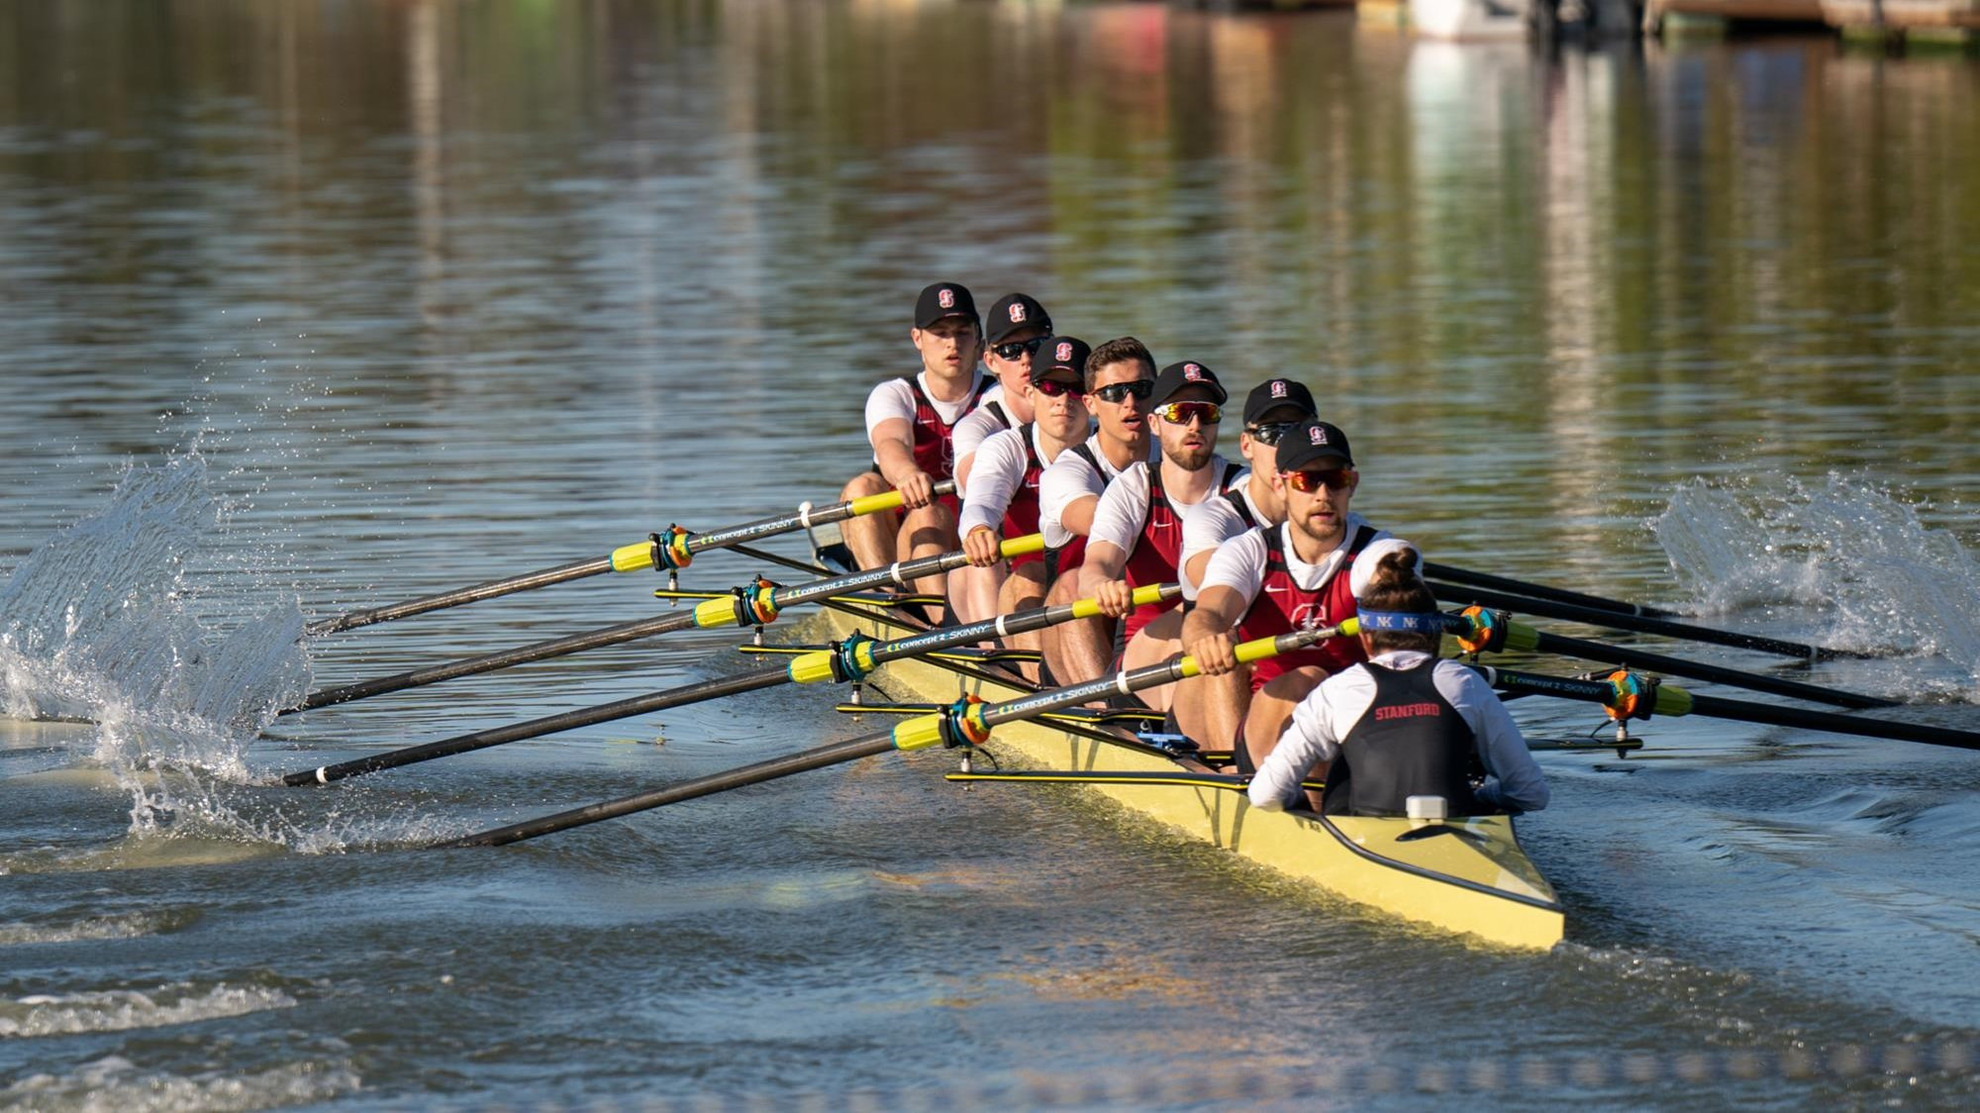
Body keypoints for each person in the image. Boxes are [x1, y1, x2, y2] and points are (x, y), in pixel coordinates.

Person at [1247, 542, 1550, 817]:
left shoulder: (1337, 691)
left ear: (1365, 639)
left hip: (1362, 834)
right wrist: (1480, 798)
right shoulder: (1465, 683)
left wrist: (1300, 807)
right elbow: (1531, 794)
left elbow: (1264, 796)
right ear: (1434, 634)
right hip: (1457, 819)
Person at [1180, 419, 1386, 768]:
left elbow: (1397, 587)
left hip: (1359, 723)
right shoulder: (1247, 551)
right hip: (1268, 726)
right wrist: (1205, 638)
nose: (1323, 496)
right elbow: (1209, 613)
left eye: (1334, 480)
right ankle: (1235, 773)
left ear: (1352, 483)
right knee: (1311, 679)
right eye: (1307, 481)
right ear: (1280, 485)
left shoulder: (1380, 552)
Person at [1082, 361, 1241, 699]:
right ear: (1154, 423)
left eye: (1206, 413)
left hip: (1226, 641)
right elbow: (1095, 566)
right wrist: (1103, 585)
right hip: (1144, 656)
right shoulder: (1134, 488)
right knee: (1199, 616)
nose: (1195, 424)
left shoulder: (1242, 488)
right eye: (1181, 413)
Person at [836, 282, 991, 606]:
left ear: (978, 338)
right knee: (863, 488)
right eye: (940, 333)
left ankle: (939, 628)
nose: (952, 344)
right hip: (904, 545)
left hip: (978, 538)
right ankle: (888, 603)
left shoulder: (996, 396)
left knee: (929, 515)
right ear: (917, 339)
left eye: (962, 332)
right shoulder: (895, 394)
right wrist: (907, 474)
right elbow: (890, 441)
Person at [951, 336, 1093, 641]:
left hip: (1095, 583)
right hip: (1023, 580)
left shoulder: (1111, 447)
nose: (1063, 400)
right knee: (1026, 579)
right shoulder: (1006, 447)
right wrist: (978, 530)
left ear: (1092, 400)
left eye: (1076, 389)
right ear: (1031, 393)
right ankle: (1009, 670)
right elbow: (982, 500)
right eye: (1051, 388)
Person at [1036, 337, 1158, 686]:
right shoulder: (1067, 472)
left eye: (1141, 389)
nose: (1130, 403)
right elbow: (1106, 520)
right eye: (1115, 393)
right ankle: (1103, 713)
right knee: (1072, 583)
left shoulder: (1180, 459)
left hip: (1152, 625)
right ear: (1090, 403)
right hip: (1081, 635)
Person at [1177, 377, 1319, 600]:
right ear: (1246, 445)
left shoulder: (1336, 518)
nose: (1285, 447)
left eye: (1297, 432)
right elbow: (1215, 586)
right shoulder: (1211, 518)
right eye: (1271, 434)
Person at [952, 293, 1051, 493]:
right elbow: (971, 477)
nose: (1026, 359)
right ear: (991, 362)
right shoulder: (975, 427)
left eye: (1036, 346)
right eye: (1010, 350)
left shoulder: (1078, 409)